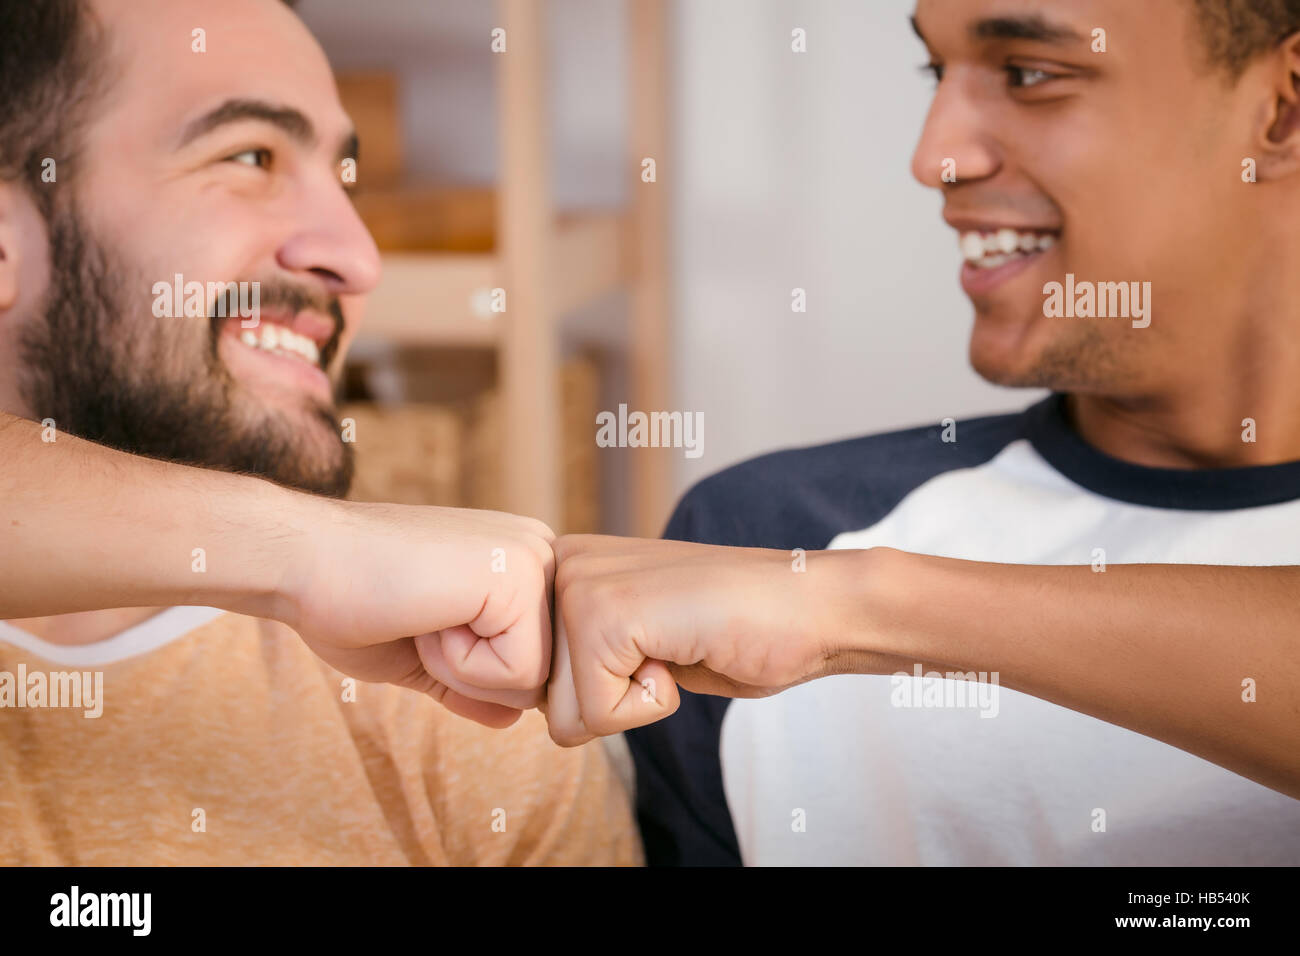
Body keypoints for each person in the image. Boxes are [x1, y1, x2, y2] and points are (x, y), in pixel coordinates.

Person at [541, 0, 1300, 865]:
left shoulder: (806, 585)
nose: (934, 157)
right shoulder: (765, 534)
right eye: (934, 73)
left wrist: (857, 604)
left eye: (1030, 73)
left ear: (1283, 106)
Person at [0, 0, 640, 865]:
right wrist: (308, 551)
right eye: (250, 155)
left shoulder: (464, 715)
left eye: (345, 178)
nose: (358, 258)